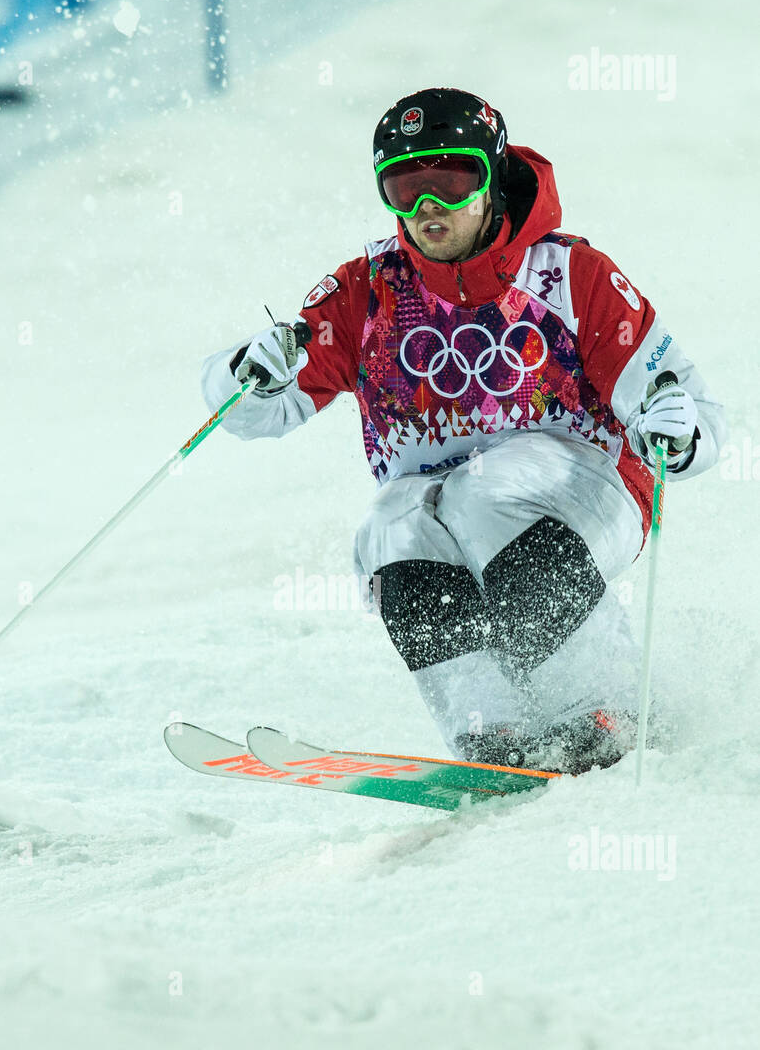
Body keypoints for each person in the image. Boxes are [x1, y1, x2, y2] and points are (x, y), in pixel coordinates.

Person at [200, 87, 726, 773]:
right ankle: (494, 731)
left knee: (486, 491)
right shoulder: (368, 290)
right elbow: (254, 413)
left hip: (593, 490)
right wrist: (250, 375)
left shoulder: (568, 274)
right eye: (405, 187)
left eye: (450, 182)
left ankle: (605, 703)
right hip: (450, 504)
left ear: (492, 176)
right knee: (392, 524)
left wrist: (677, 432)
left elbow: (691, 409)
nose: (428, 209)